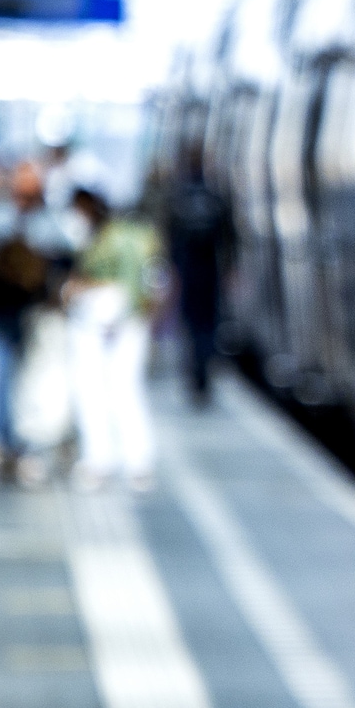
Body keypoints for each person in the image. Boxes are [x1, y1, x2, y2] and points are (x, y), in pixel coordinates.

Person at [0, 161, 72, 489]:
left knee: (28, 388)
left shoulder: (51, 225)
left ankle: (23, 449)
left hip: (33, 320)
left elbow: (67, 266)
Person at [64, 188, 159, 490]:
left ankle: (107, 462)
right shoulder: (134, 235)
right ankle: (131, 463)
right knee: (119, 389)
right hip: (125, 321)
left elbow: (123, 282)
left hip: (110, 320)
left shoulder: (111, 237)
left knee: (102, 390)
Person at [161, 149, 232, 407]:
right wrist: (229, 268)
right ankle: (204, 375)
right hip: (210, 271)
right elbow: (229, 236)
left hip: (187, 272)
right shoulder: (215, 198)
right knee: (208, 325)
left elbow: (169, 238)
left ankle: (195, 375)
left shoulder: (177, 199)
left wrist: (171, 270)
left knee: (190, 325)